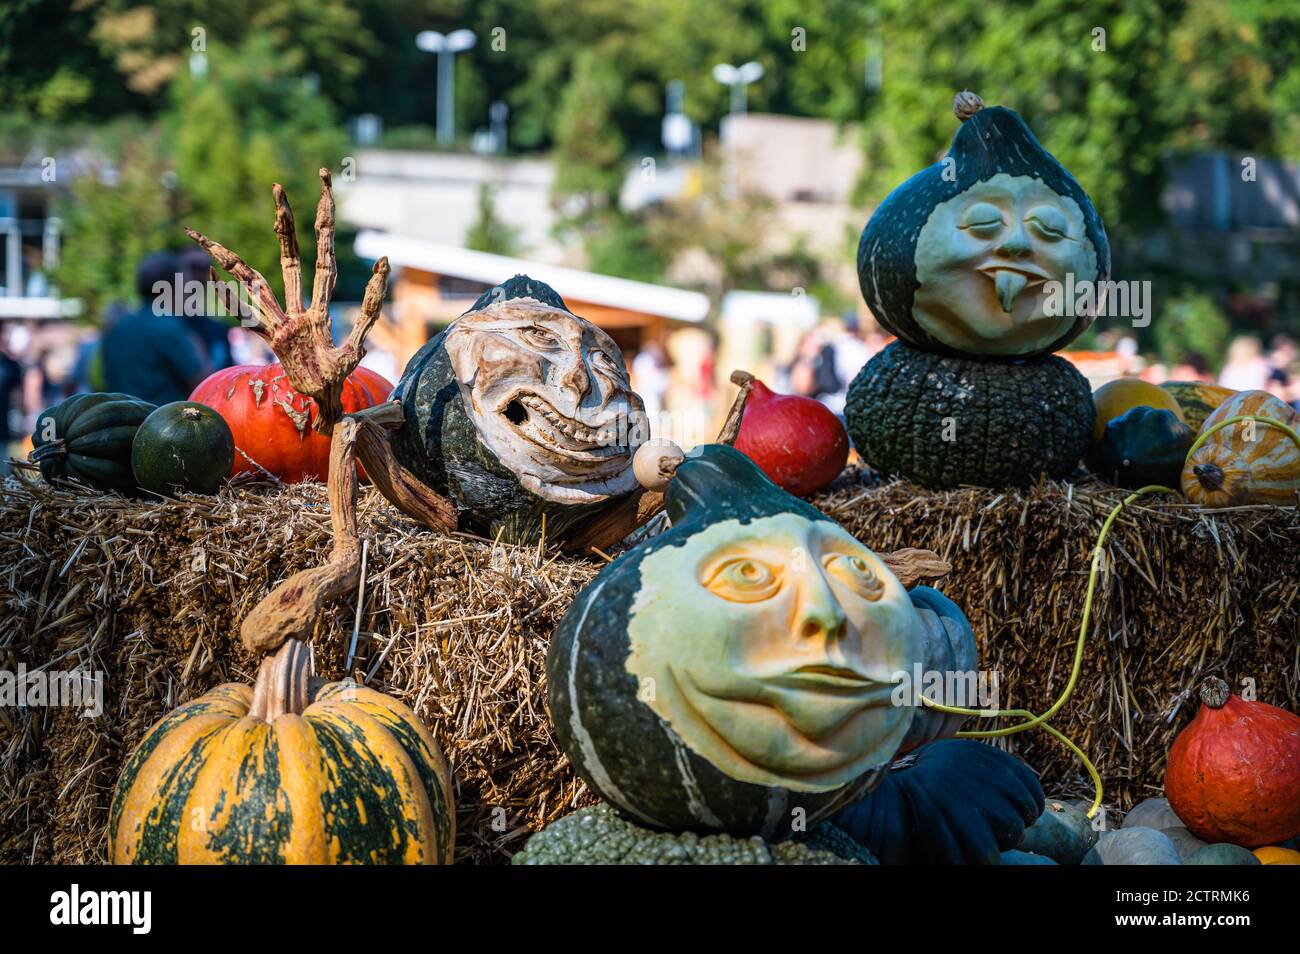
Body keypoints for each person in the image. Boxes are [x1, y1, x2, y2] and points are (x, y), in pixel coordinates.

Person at [100, 251, 206, 405]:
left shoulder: (115, 328)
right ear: (173, 287)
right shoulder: (169, 328)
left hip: (120, 422)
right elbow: (201, 382)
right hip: (161, 423)